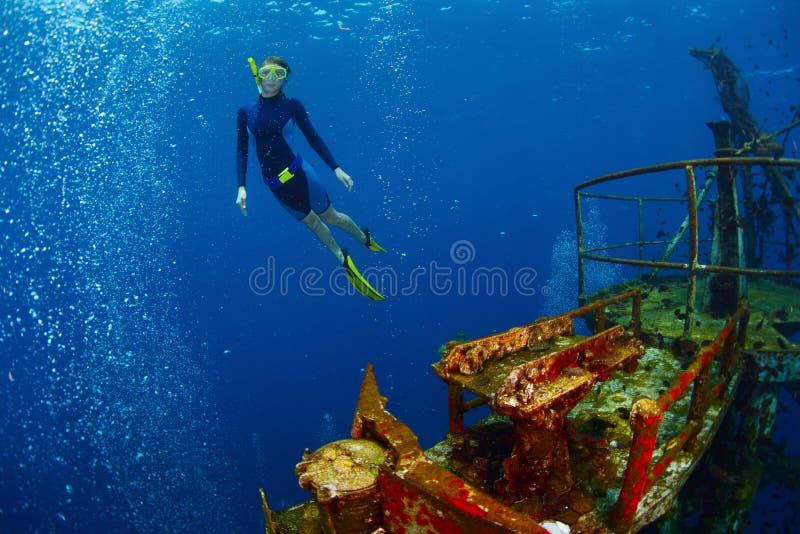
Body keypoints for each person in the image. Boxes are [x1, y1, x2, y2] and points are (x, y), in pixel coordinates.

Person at [235, 55, 385, 300]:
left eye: (279, 74)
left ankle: (362, 237)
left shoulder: (291, 105)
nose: (272, 79)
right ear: (258, 74)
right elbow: (241, 149)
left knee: (330, 216)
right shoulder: (245, 112)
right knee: (312, 222)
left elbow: (313, 137)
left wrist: (336, 168)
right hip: (275, 185)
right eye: (267, 72)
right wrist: (241, 186)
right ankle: (342, 259)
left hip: (301, 173)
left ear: (285, 79)